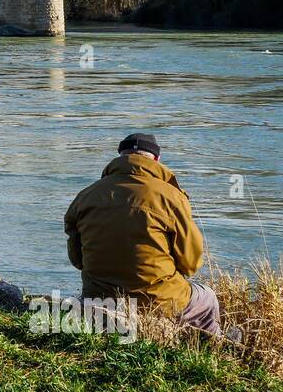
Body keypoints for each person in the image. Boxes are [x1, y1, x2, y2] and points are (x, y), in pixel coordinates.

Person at [63, 132, 221, 336]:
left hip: (99, 298)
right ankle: (212, 343)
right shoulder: (172, 197)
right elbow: (191, 264)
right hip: (157, 301)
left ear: (121, 157)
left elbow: (77, 260)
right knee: (207, 298)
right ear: (156, 159)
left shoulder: (86, 195)